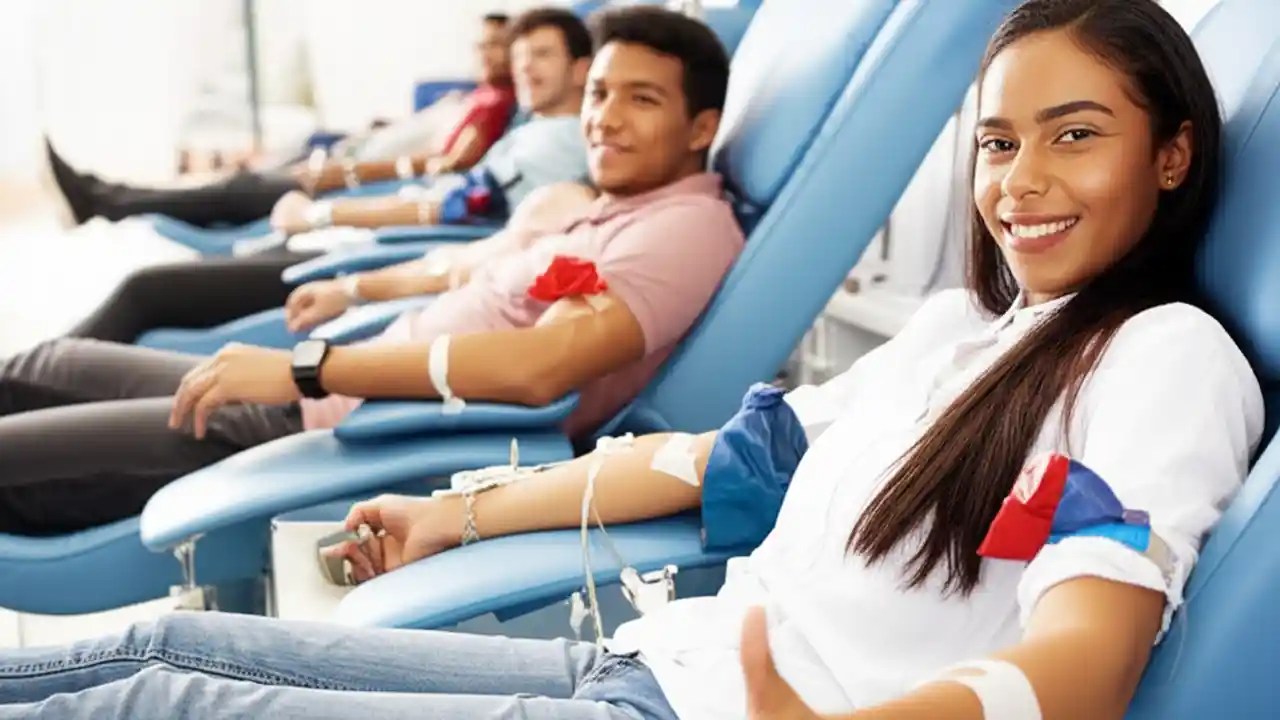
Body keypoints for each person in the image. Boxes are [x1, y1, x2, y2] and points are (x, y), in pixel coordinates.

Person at [0, 1, 1264, 718]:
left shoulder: (1163, 357)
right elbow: (700, 458)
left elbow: (1081, 669)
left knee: (150, 708)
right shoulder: (955, 336)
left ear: (1170, 154)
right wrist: (458, 515)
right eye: (993, 144)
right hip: (649, 666)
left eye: (1073, 136)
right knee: (165, 656)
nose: (1019, 182)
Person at [0, 7, 739, 537]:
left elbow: (540, 368)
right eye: (600, 94)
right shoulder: (604, 207)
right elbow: (470, 275)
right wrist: (352, 295)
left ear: (702, 127)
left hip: (330, 426)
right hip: (334, 389)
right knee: (41, 362)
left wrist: (308, 370)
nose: (605, 119)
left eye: (641, 100)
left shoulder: (684, 229)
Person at [42, 9, 574, 229]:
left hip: (368, 201)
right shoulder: (480, 100)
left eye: (536, 54)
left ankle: (104, 200)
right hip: (363, 192)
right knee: (240, 186)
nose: (508, 60)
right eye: (494, 47)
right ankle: (106, 196)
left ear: (579, 67)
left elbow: (448, 172)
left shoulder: (504, 112)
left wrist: (340, 185)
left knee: (237, 193)